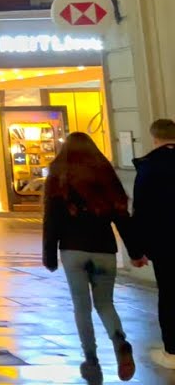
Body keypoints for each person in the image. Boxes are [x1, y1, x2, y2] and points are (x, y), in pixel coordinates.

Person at [42, 132, 140, 383]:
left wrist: (49, 254)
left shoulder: (60, 175)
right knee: (105, 303)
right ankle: (119, 341)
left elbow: (52, 219)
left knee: (81, 306)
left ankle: (91, 358)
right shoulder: (104, 175)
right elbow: (122, 217)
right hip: (104, 249)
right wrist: (136, 252)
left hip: (73, 250)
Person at [133, 118, 175, 369]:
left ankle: (172, 351)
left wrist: (138, 250)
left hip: (166, 244)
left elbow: (142, 212)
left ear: (154, 137)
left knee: (169, 294)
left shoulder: (149, 167)